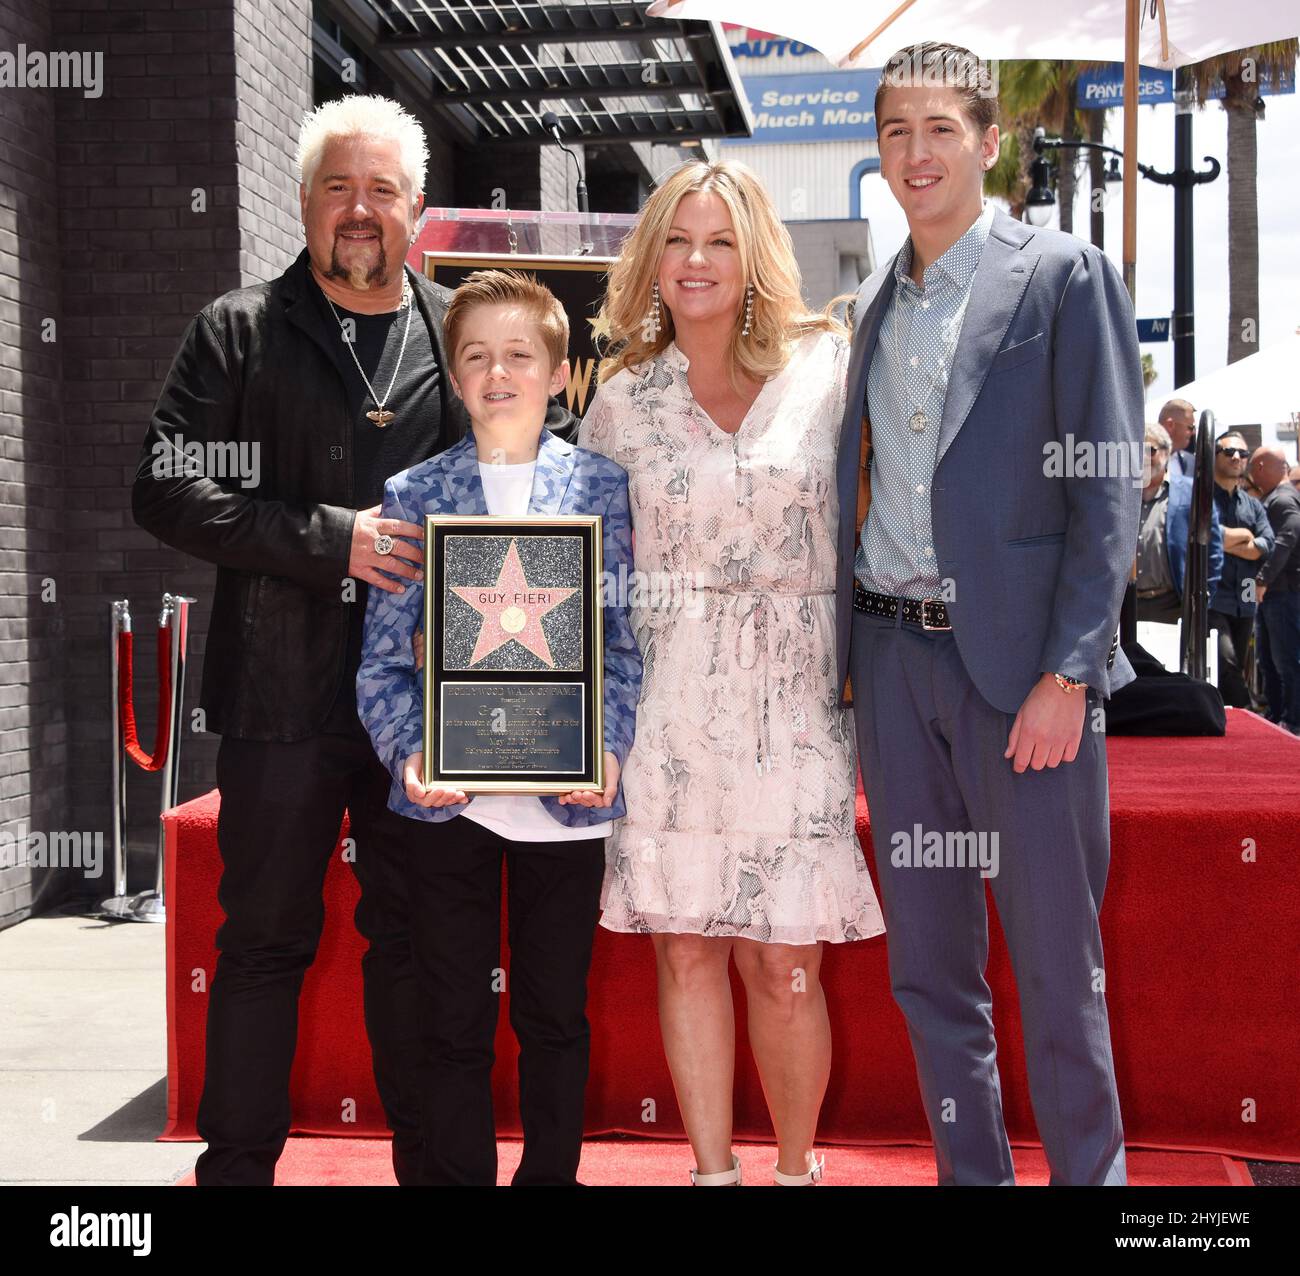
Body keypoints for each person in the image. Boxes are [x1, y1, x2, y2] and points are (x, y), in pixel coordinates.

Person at [834, 41, 1140, 1186]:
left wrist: (1072, 670)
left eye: (939, 129)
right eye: (896, 131)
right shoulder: (868, 301)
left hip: (1022, 680)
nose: (916, 154)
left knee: (1059, 967)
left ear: (988, 140)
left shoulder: (1061, 276)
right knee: (929, 969)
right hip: (891, 667)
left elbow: (1108, 485)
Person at [578, 159, 885, 1187]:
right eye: (675, 240)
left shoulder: (827, 368)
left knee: (786, 962)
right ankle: (712, 1173)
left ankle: (793, 1173)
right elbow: (585, 565)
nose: (696, 261)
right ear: (650, 259)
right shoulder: (620, 399)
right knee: (686, 950)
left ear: (753, 255)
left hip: (794, 702)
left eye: (717, 241)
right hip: (667, 702)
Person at [356, 269, 642, 1185]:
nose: (499, 372)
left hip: (566, 801)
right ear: (453, 374)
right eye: (475, 355)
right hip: (455, 807)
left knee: (555, 1016)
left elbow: (624, 642)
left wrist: (606, 744)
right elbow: (383, 659)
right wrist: (408, 754)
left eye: (521, 354)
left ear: (560, 373)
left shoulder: (603, 487)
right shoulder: (413, 492)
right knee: (452, 1023)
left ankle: (551, 1176)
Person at [1135, 421, 1223, 625]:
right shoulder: (1122, 496)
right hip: (1127, 606)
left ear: (1167, 452)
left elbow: (1213, 549)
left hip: (1172, 605)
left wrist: (1203, 598)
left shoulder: (1190, 492)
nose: (1142, 458)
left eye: (1150, 450)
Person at [1209, 431, 1273, 708]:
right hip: (1213, 596)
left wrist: (1224, 540)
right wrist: (1244, 535)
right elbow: (1207, 535)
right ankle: (1244, 711)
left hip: (1245, 600)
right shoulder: (1202, 499)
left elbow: (1266, 543)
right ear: (1214, 455)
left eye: (1242, 453)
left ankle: (1229, 716)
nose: (1236, 457)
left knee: (1238, 663)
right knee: (1226, 661)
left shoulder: (1253, 504)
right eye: (1228, 451)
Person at [1247, 446, 1300, 733]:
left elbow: (1289, 533)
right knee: (1269, 659)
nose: (1252, 474)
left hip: (1283, 592)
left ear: (1265, 466)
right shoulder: (1279, 497)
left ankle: (1292, 719)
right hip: (1277, 593)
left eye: (1255, 466)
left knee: (1285, 659)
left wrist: (1264, 578)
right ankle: (1279, 714)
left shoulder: (1282, 499)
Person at [1159, 397, 1197, 478]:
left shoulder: (1191, 463)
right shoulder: (1143, 458)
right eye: (1190, 427)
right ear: (1170, 425)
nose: (1193, 433)